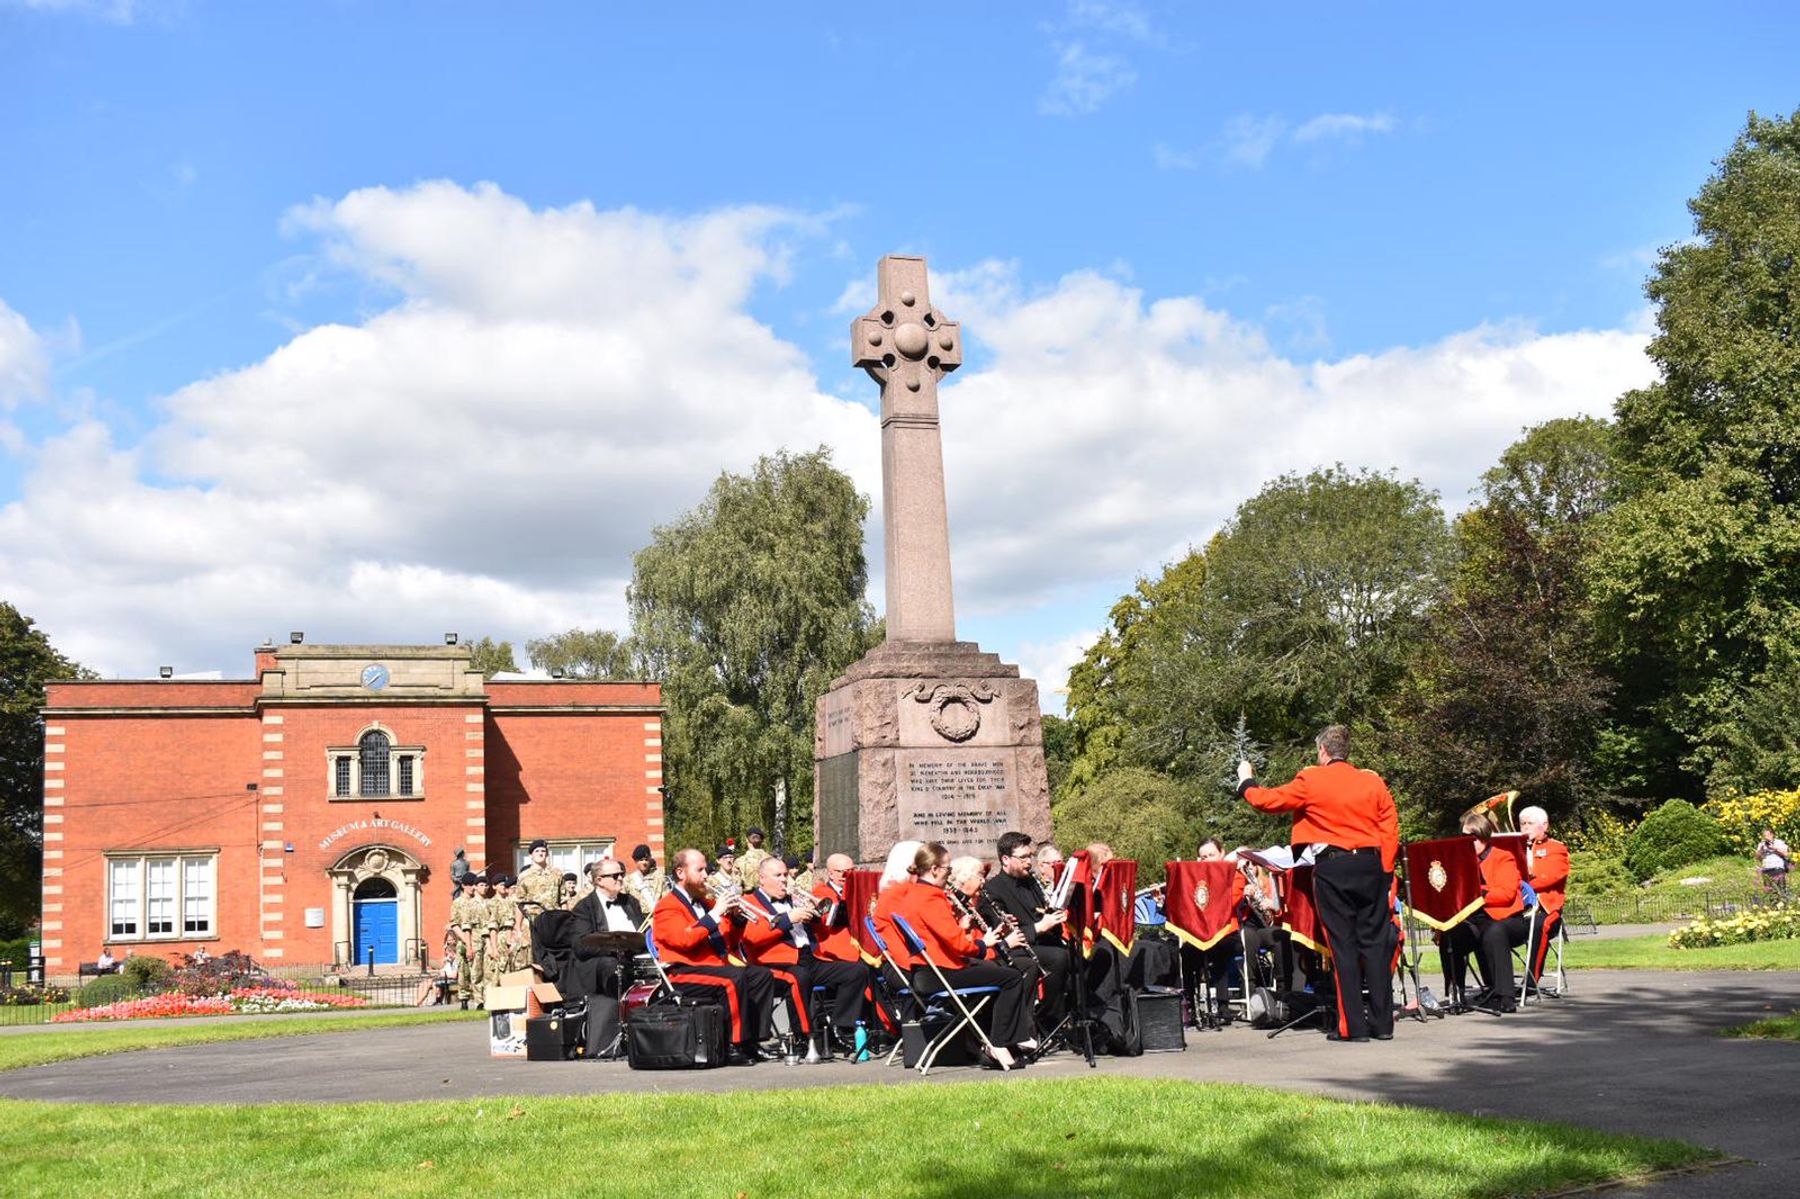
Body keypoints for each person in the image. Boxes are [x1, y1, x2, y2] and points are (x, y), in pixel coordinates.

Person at [1238, 724, 1400, 1042]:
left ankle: (1352, 1027)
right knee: (1376, 946)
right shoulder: (1372, 780)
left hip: (1335, 867)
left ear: (1323, 751)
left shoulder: (1312, 778)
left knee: (1343, 947)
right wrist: (1385, 870)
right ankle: (1382, 1025)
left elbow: (1267, 801)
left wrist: (1246, 780)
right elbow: (1390, 825)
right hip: (1371, 866)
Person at [901, 842, 1031, 1064]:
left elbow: (939, 935)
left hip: (925, 971)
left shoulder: (912, 893)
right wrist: (985, 944)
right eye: (948, 870)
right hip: (940, 974)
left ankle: (1000, 1039)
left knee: (995, 970)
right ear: (934, 870)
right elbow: (959, 945)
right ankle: (1000, 1044)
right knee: (1012, 977)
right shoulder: (932, 897)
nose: (949, 875)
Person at [651, 847, 775, 1065]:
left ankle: (753, 1040)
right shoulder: (667, 906)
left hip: (713, 966)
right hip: (682, 971)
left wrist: (737, 918)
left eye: (705, 869)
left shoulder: (706, 903)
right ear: (681, 873)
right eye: (699, 870)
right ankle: (732, 1045)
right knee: (732, 980)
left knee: (760, 975)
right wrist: (715, 914)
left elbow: (728, 940)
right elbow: (684, 941)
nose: (706, 875)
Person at [738, 855, 868, 1056]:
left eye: (785, 875)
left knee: (856, 972)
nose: (784, 879)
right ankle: (804, 1037)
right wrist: (787, 919)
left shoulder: (794, 898)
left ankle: (839, 1028)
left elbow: (821, 930)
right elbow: (751, 937)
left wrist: (813, 917)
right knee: (800, 978)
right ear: (762, 878)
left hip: (809, 957)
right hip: (775, 963)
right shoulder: (749, 902)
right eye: (778, 875)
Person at [1440, 812, 1530, 1013]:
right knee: (1450, 935)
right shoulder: (1460, 861)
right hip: (1477, 919)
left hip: (1507, 918)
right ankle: (1456, 994)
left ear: (1482, 836)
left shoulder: (1503, 857)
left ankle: (1505, 996)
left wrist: (1477, 893)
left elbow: (1506, 895)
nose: (1466, 842)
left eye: (1471, 838)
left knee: (1495, 932)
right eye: (1463, 837)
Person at [983, 831, 1071, 1033]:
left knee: (1082, 955)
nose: (1028, 862)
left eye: (1029, 856)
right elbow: (1004, 933)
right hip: (1020, 947)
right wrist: (1040, 926)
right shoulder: (993, 889)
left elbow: (1043, 913)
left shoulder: (1031, 882)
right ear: (1005, 859)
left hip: (1044, 942)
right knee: (1059, 958)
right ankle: (1051, 1022)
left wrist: (1055, 917)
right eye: (1022, 857)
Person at [567, 859, 644, 1001]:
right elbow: (581, 946)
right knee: (611, 966)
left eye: (622, 874)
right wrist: (615, 948)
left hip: (634, 957)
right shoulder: (584, 908)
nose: (620, 878)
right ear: (599, 880)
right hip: (603, 963)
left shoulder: (631, 902)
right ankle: (618, 1011)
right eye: (615, 876)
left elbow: (643, 932)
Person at [1517, 805, 1570, 989]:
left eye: (1530, 823)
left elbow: (1553, 876)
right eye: (1522, 823)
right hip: (1518, 907)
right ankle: (1499, 984)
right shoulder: (1514, 850)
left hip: (1546, 908)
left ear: (1544, 826)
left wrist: (1522, 884)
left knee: (1539, 926)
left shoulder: (1556, 848)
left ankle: (1531, 983)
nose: (1525, 827)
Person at [515, 839, 563, 921]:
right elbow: (519, 903)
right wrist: (518, 928)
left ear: (547, 854)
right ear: (531, 855)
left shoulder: (557, 874)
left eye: (543, 851)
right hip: (533, 920)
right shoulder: (524, 876)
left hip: (554, 919)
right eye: (537, 851)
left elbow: (563, 900)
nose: (540, 853)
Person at [623, 844, 665, 912]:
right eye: (641, 860)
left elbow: (667, 899)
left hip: (657, 917)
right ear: (636, 861)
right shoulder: (628, 880)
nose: (644, 862)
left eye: (646, 859)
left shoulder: (660, 878)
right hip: (638, 919)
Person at [1755, 828, 1791, 897]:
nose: (1766, 837)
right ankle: (1772, 906)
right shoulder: (1762, 844)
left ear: (1772, 834)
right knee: (1769, 891)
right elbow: (1757, 857)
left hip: (1777, 868)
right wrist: (1761, 851)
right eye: (1764, 835)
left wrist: (1775, 848)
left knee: (1780, 889)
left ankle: (1783, 905)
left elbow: (1786, 854)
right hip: (1766, 869)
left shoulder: (1779, 842)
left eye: (1767, 835)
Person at [736, 827, 770, 891]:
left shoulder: (739, 861)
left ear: (746, 839)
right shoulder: (771, 860)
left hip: (749, 897)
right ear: (762, 840)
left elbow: (736, 887)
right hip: (766, 897)